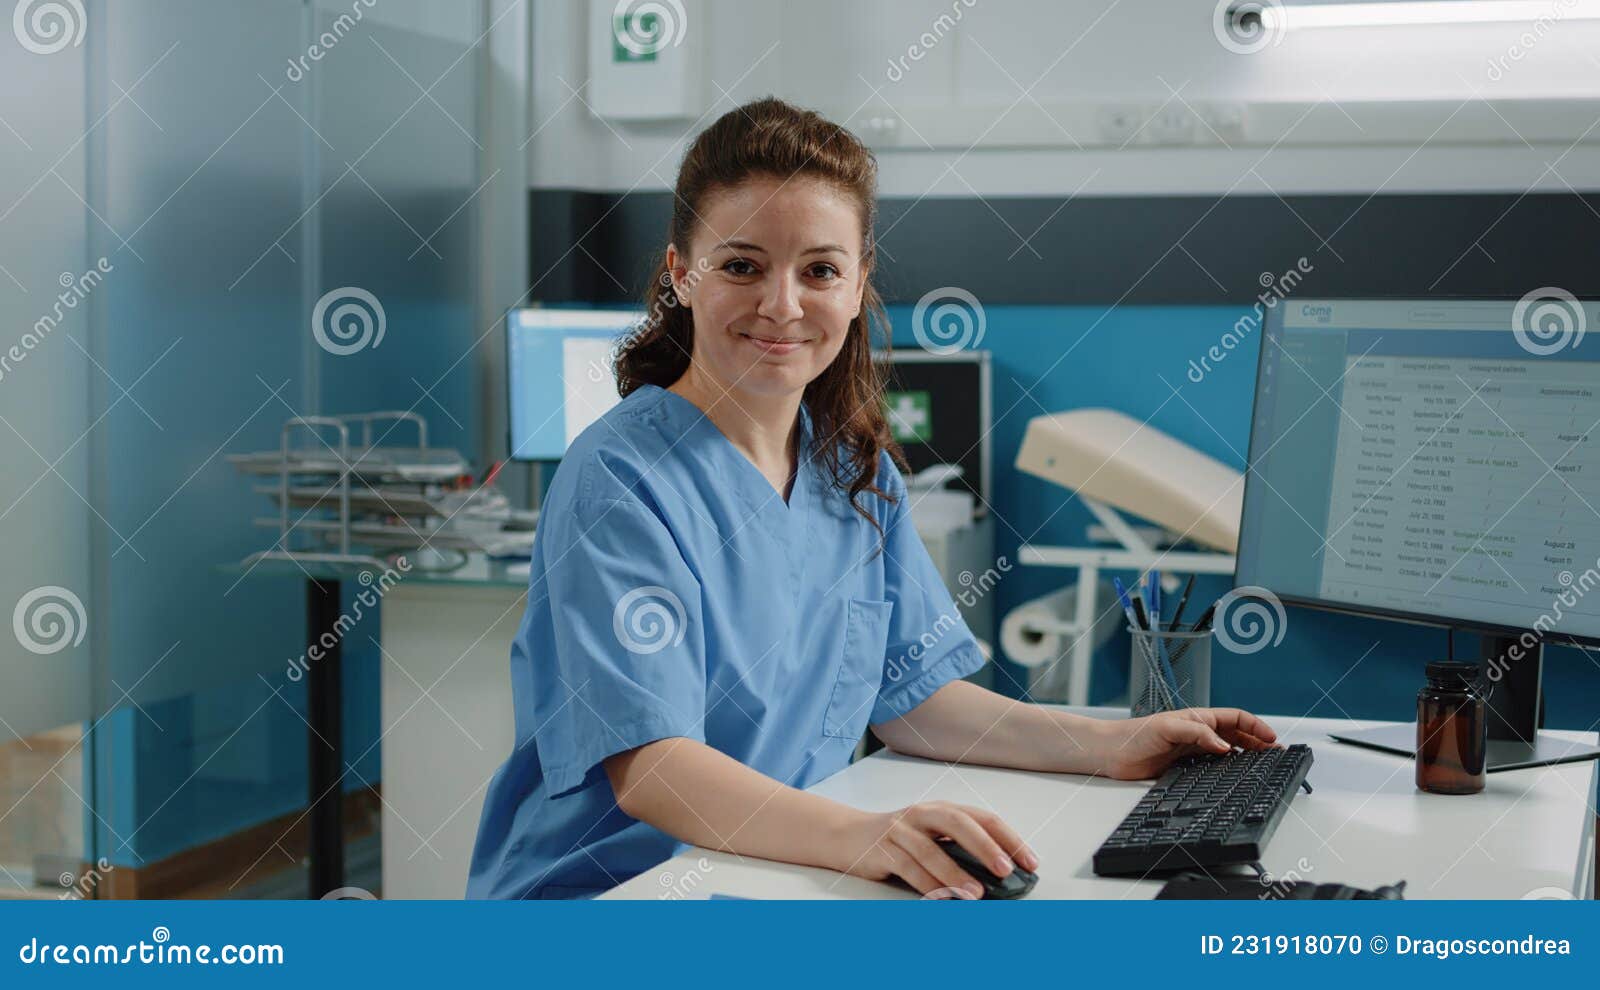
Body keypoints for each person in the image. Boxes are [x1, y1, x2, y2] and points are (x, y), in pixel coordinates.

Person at [467, 97, 1278, 900]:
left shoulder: (854, 472)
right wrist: (866, 836)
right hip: (613, 894)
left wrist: (1115, 744)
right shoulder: (619, 477)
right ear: (682, 274)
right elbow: (654, 770)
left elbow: (916, 701)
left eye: (819, 269)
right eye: (742, 265)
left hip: (772, 871)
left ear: (857, 286)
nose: (782, 305)